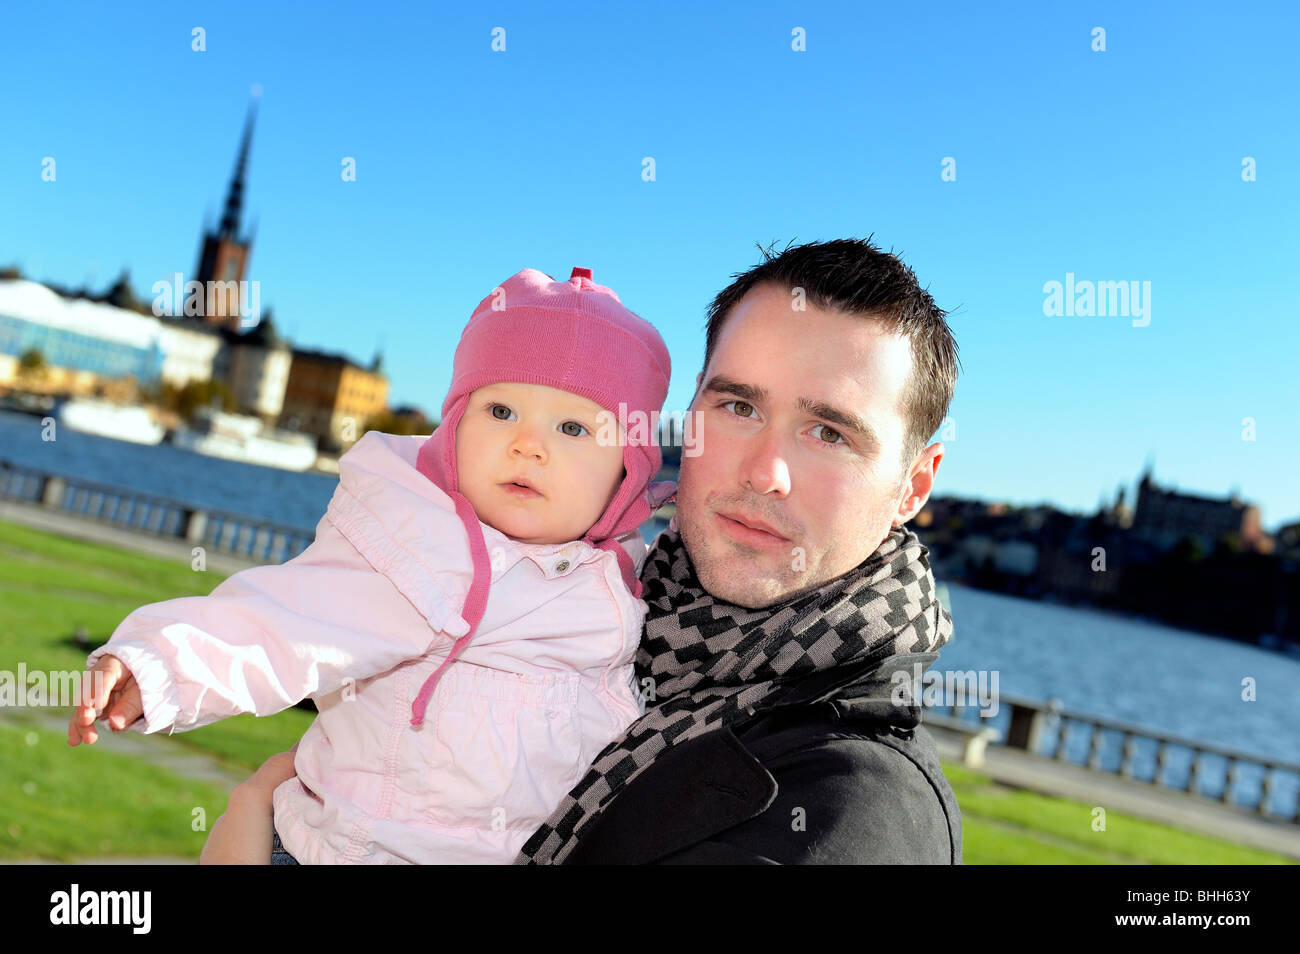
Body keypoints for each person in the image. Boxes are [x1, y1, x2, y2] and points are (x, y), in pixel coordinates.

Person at [141, 235, 965, 864]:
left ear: (913, 486)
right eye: (739, 406)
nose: (767, 470)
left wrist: (251, 823)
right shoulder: (608, 605)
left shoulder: (855, 812)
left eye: (829, 432)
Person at [67, 266, 676, 864]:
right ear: (455, 426)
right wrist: (161, 663)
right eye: (500, 412)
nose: (529, 443)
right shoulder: (421, 550)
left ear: (628, 471)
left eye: (572, 427)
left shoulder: (628, 581)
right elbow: (290, 622)